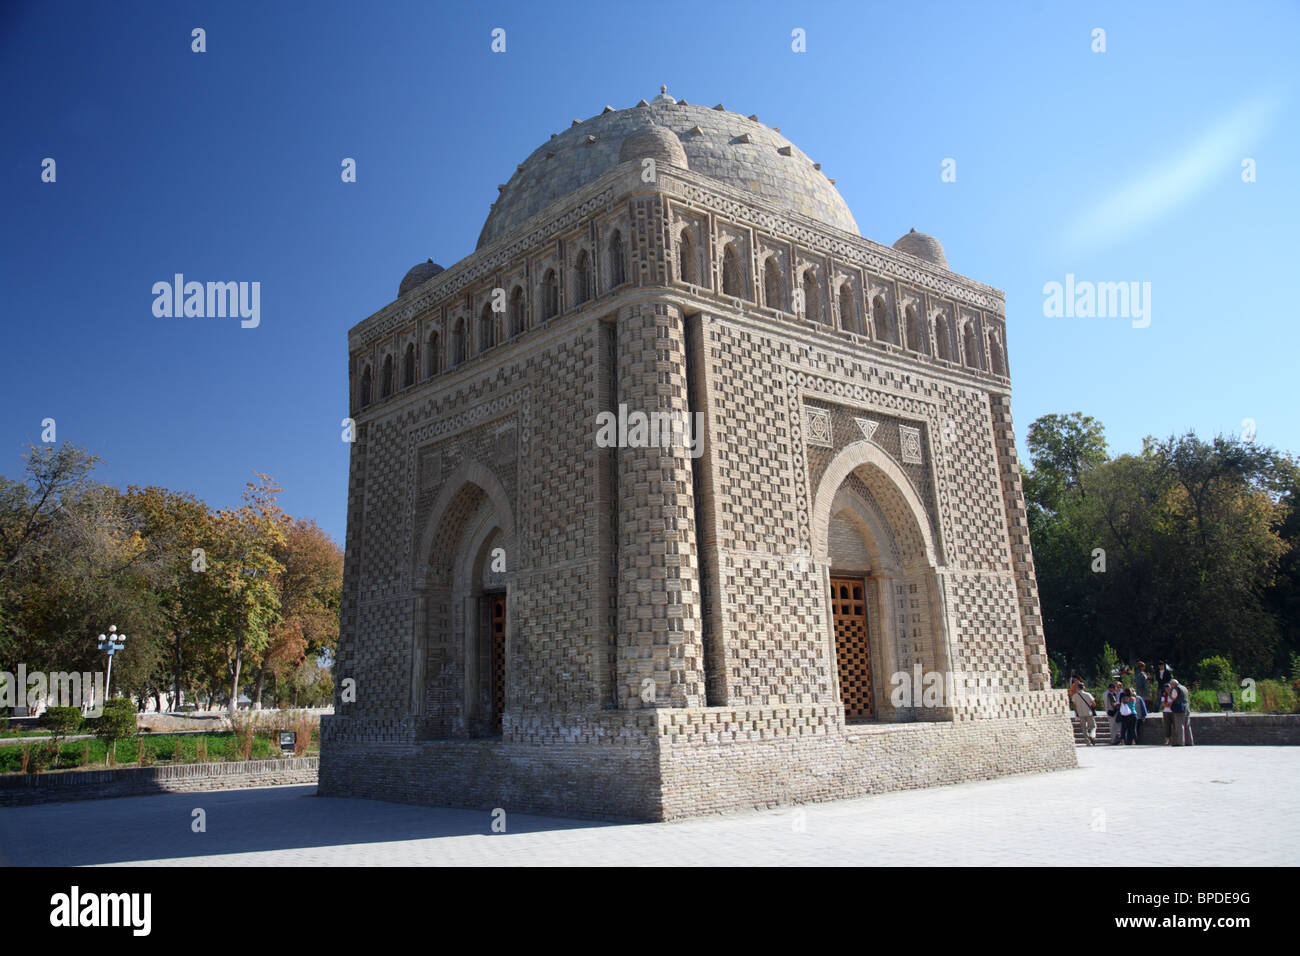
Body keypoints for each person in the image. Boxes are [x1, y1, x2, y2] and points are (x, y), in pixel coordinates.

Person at [1170, 679, 1195, 746]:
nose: (1171, 686)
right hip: (1187, 707)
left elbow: (1173, 697)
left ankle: (1180, 742)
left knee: (1179, 725)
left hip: (1179, 708)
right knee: (1187, 725)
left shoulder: (1176, 688)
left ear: (1173, 684)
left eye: (1171, 684)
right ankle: (1189, 741)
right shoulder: (1184, 688)